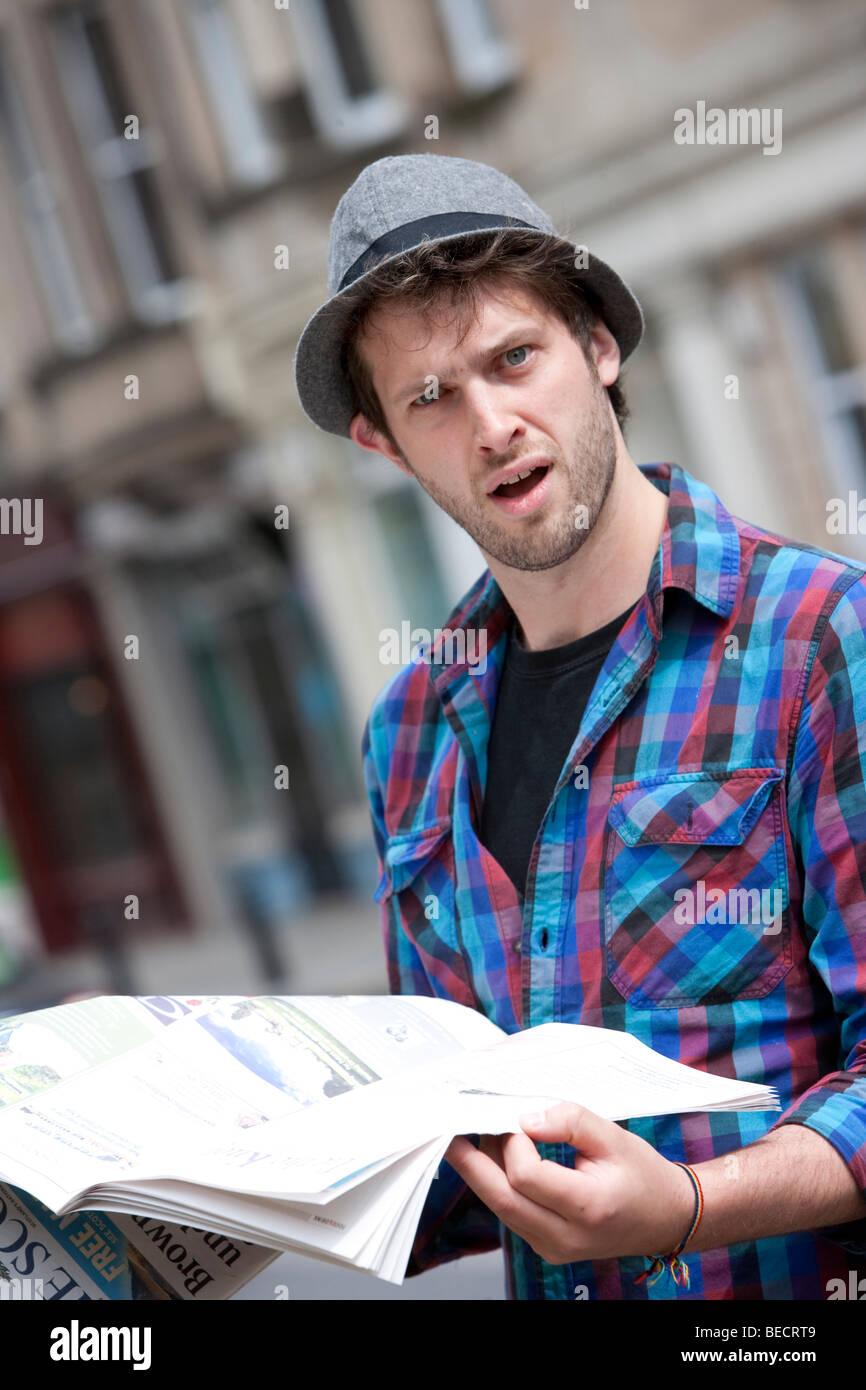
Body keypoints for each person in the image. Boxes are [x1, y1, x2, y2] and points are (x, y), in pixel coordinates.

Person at [294, 153, 866, 1299]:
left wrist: (690, 1208)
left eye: (515, 358)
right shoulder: (408, 733)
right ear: (381, 444)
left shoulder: (820, 638)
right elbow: (456, 1154)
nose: (491, 422)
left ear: (598, 346)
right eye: (429, 398)